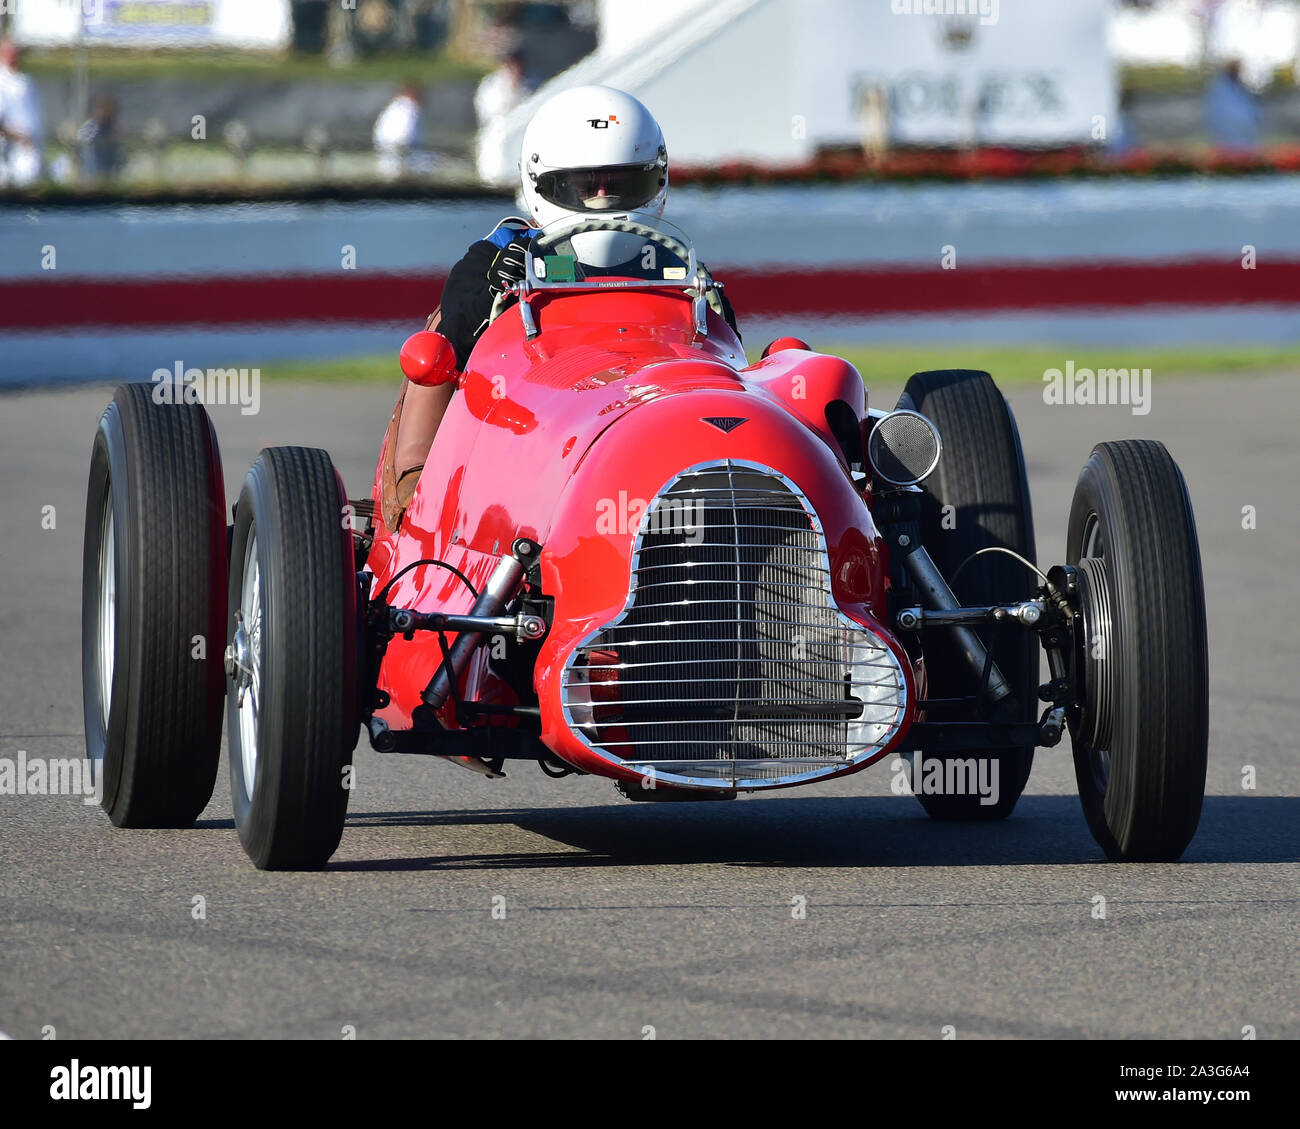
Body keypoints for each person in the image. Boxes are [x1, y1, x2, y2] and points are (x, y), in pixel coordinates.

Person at [389, 84, 739, 522]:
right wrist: (492, 292)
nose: (602, 200)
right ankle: (415, 488)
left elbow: (727, 357)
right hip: (525, 426)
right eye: (583, 186)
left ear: (656, 179)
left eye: (623, 185)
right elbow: (447, 345)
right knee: (435, 345)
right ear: (542, 183)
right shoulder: (499, 254)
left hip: (651, 422)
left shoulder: (683, 268)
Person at [0, 38, 43, 188]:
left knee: (30, 186)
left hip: (30, 144)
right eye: (9, 53)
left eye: (16, 53)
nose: (14, 57)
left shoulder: (24, 81)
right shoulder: (2, 81)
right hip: (11, 145)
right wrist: (17, 136)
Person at [373, 82, 421, 181]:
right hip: (398, 147)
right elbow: (405, 132)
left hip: (389, 145)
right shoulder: (408, 107)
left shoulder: (397, 105)